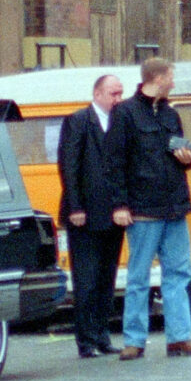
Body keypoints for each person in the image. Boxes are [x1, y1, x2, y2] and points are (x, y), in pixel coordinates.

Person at [115, 57, 191, 360]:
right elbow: (114, 164)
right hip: (142, 209)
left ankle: (179, 338)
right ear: (156, 78)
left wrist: (188, 159)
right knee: (139, 277)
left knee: (179, 274)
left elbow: (179, 155)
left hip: (174, 206)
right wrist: (119, 204)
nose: (174, 82)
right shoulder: (125, 113)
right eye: (171, 76)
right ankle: (134, 340)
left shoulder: (171, 114)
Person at [57, 73, 132, 357]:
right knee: (86, 281)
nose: (118, 99)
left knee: (106, 278)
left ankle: (102, 335)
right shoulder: (78, 121)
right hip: (85, 215)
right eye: (114, 93)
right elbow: (69, 165)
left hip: (114, 213)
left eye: (121, 93)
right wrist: (75, 207)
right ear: (98, 93)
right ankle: (86, 340)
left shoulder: (120, 122)